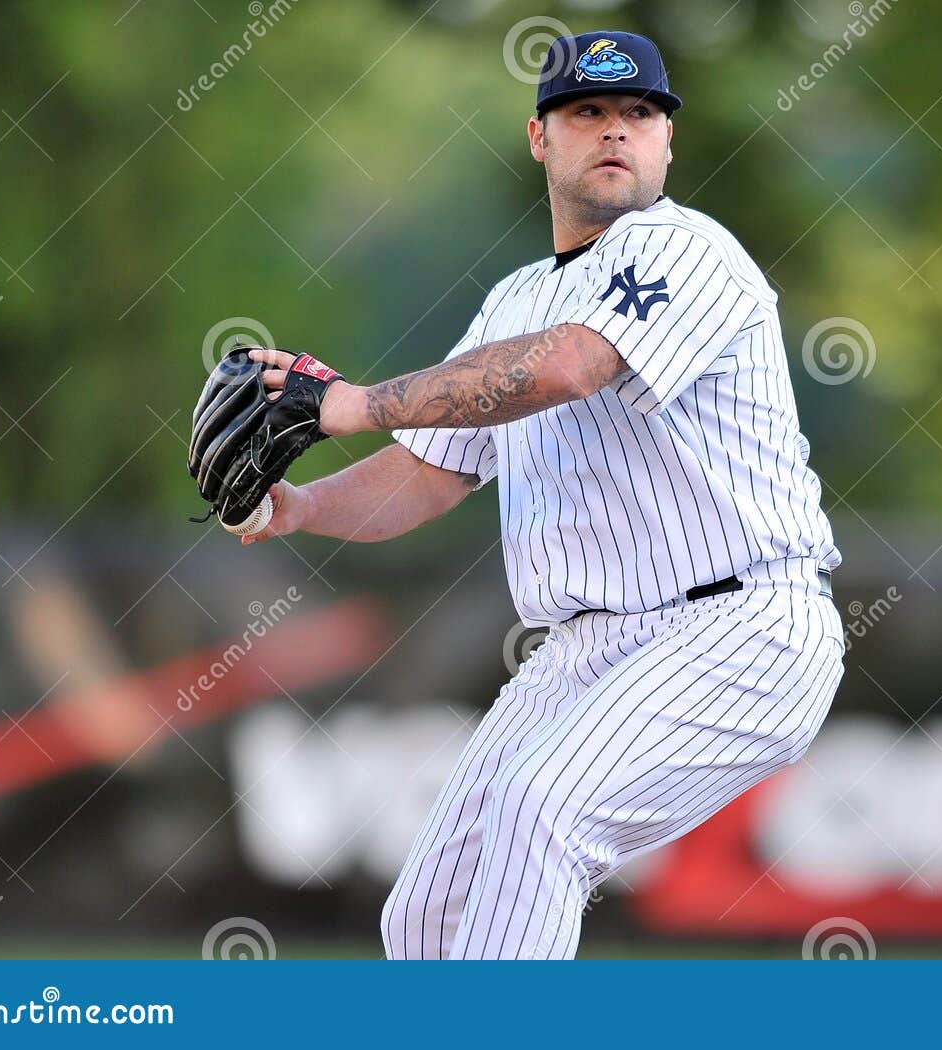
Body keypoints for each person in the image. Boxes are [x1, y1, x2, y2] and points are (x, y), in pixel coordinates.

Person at [244, 30, 843, 959]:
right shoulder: (517, 300)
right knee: (427, 916)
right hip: (585, 648)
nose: (616, 131)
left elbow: (569, 367)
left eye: (639, 113)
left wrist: (351, 403)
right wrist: (307, 507)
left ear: (667, 143)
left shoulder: (686, 251)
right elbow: (430, 472)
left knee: (543, 815)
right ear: (540, 137)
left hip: (743, 625)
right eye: (588, 112)